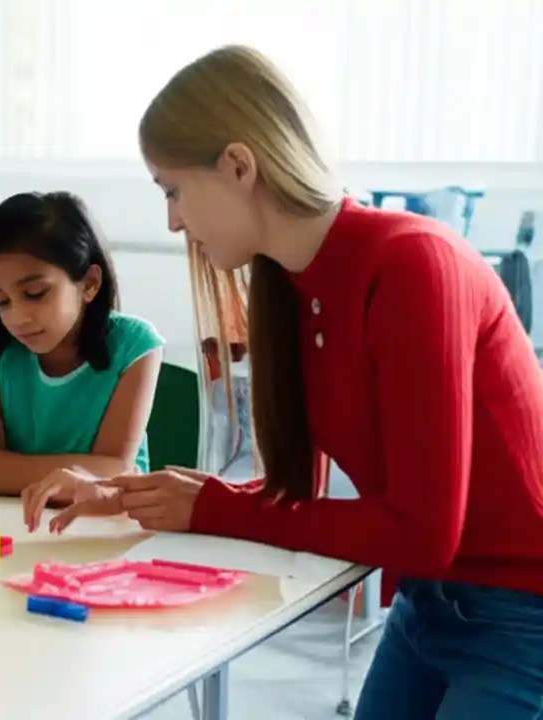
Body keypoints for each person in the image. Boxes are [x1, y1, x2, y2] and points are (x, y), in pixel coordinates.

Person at [42, 45, 543, 718]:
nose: (173, 220)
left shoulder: (412, 265)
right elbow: (289, 498)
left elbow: (423, 532)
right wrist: (135, 495)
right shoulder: (290, 285)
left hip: (521, 614)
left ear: (239, 165)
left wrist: (212, 507)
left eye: (172, 189)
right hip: (429, 605)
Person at [0, 192, 164, 506]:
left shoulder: (135, 345)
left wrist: (1, 462)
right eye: (1, 301)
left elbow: (116, 469)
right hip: (18, 525)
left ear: (89, 284)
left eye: (35, 293)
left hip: (109, 529)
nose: (17, 318)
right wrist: (78, 474)